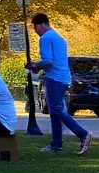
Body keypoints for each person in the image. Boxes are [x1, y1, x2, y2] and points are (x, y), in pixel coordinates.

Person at [29, 13, 92, 154]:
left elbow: (48, 61)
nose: (35, 31)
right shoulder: (58, 37)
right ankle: (56, 144)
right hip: (64, 77)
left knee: (57, 110)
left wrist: (35, 65)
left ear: (41, 25)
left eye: (35, 27)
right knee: (54, 112)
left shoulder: (45, 38)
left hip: (54, 78)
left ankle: (83, 134)